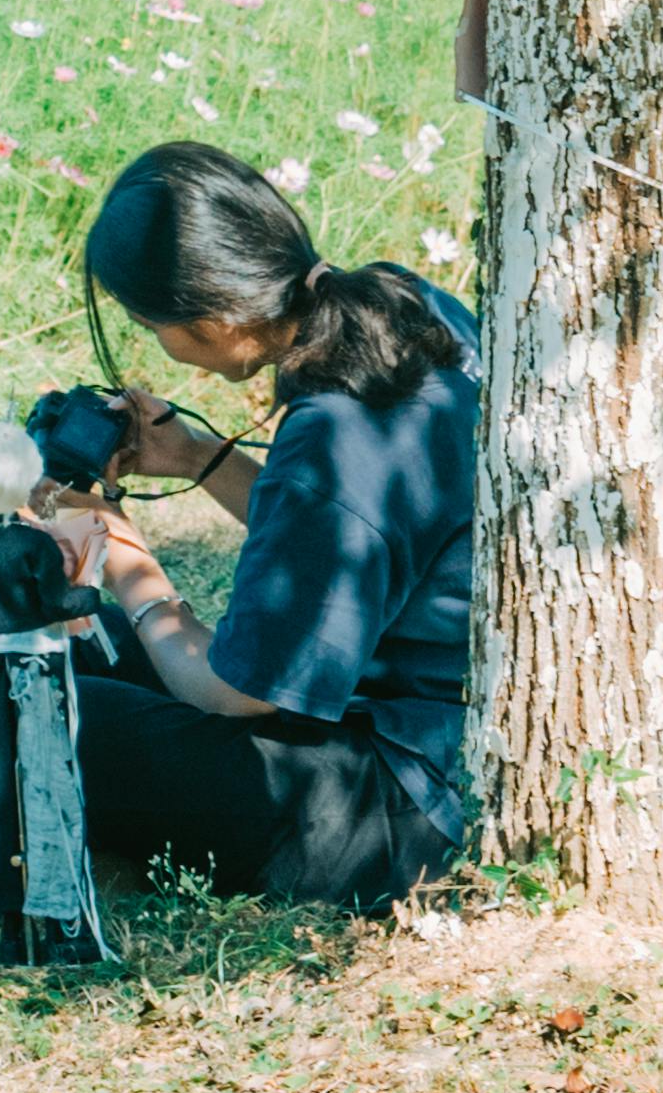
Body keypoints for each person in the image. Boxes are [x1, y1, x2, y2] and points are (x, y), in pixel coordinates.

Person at [25, 137, 476, 912]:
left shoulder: (330, 435)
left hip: (409, 801)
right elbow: (357, 531)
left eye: (152, 323)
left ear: (219, 316)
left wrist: (124, 556)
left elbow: (241, 693)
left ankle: (106, 849)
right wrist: (197, 457)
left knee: (56, 710)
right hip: (443, 727)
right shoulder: (409, 308)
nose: (158, 346)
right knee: (82, 653)